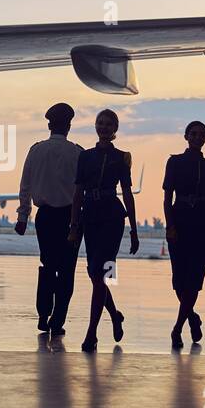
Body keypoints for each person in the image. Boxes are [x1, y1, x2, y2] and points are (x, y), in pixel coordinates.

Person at [69, 109, 139, 353]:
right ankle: (115, 316)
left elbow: (128, 193)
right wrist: (74, 225)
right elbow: (77, 194)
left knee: (103, 275)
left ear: (115, 128)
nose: (104, 127)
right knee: (94, 274)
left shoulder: (122, 158)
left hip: (112, 216)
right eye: (100, 123)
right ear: (95, 126)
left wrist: (134, 229)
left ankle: (92, 334)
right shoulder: (85, 156)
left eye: (109, 124)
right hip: (90, 214)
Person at [15, 102, 83, 336]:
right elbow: (80, 191)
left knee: (47, 266)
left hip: (44, 217)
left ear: (49, 125)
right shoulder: (77, 153)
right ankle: (58, 319)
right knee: (67, 270)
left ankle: (43, 314)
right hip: (70, 217)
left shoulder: (36, 150)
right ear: (69, 126)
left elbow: (25, 185)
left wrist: (23, 216)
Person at [163, 121, 205, 350]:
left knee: (194, 280)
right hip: (181, 219)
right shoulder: (174, 162)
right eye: (194, 134)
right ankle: (192, 316)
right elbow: (167, 198)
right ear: (186, 136)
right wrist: (170, 225)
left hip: (204, 222)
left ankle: (177, 328)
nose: (197, 137)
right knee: (179, 280)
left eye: (202, 135)